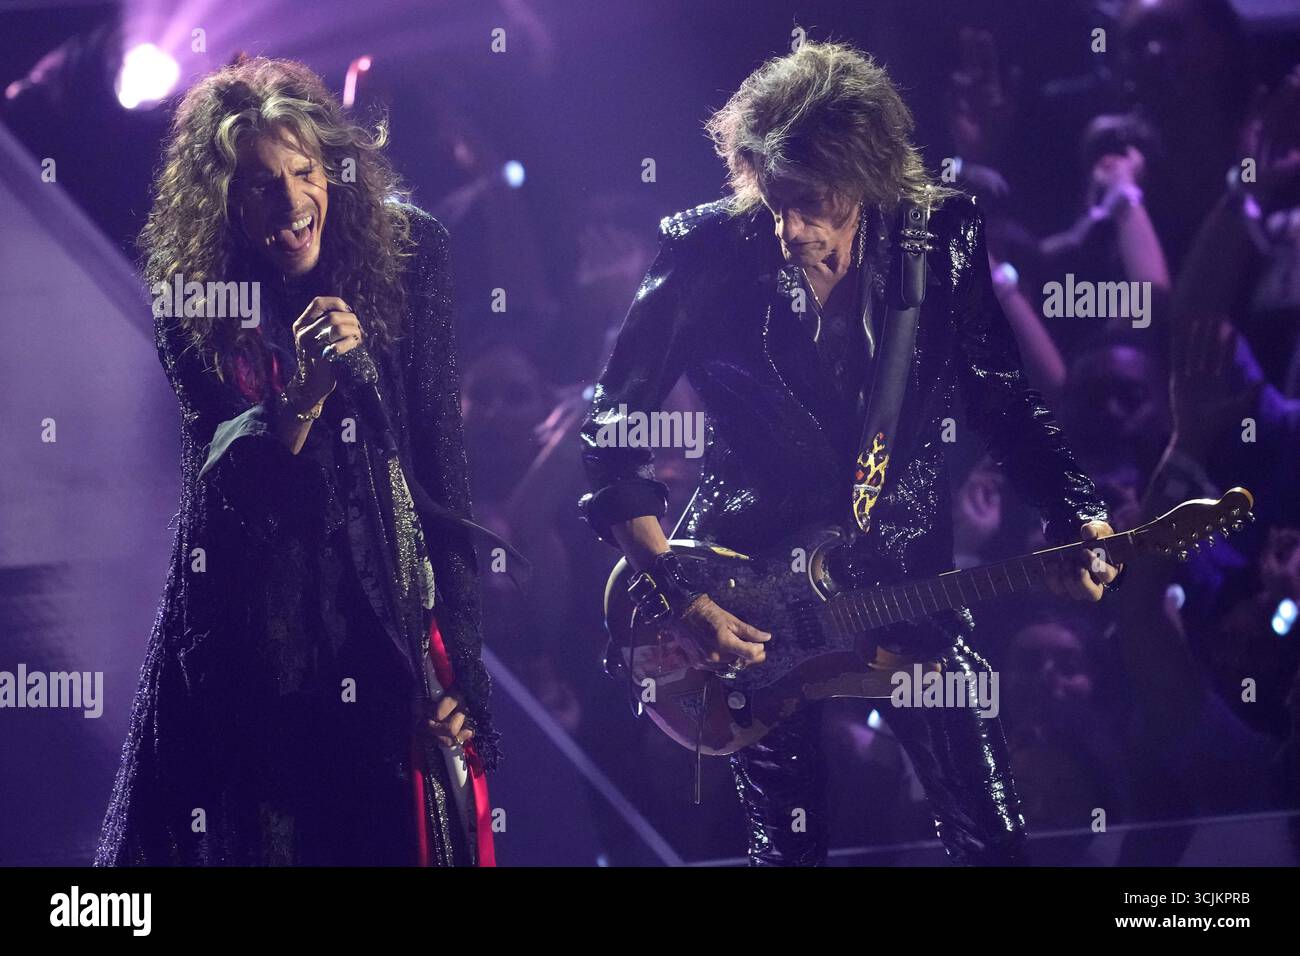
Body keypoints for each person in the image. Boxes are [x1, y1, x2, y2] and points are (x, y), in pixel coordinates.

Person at [578, 41, 1121, 866]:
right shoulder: (706, 249)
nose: (788, 227)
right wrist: (683, 593)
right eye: (771, 195)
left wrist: (1074, 507)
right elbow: (611, 431)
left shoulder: (943, 238)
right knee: (788, 847)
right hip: (746, 593)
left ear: (867, 177)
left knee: (992, 834)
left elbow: (1003, 399)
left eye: (812, 201)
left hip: (906, 580)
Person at [95, 56, 496, 866]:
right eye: (259, 186)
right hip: (259, 613)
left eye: (304, 173)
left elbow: (441, 467)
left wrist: (468, 674)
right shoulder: (192, 291)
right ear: (223, 203)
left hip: (383, 597)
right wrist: (308, 389)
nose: (290, 204)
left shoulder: (412, 252)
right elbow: (225, 482)